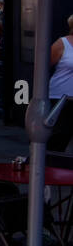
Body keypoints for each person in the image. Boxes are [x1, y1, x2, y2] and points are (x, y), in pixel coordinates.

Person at [48, 15, 73, 151]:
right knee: (60, 135)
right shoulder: (62, 43)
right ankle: (48, 166)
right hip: (61, 98)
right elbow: (43, 66)